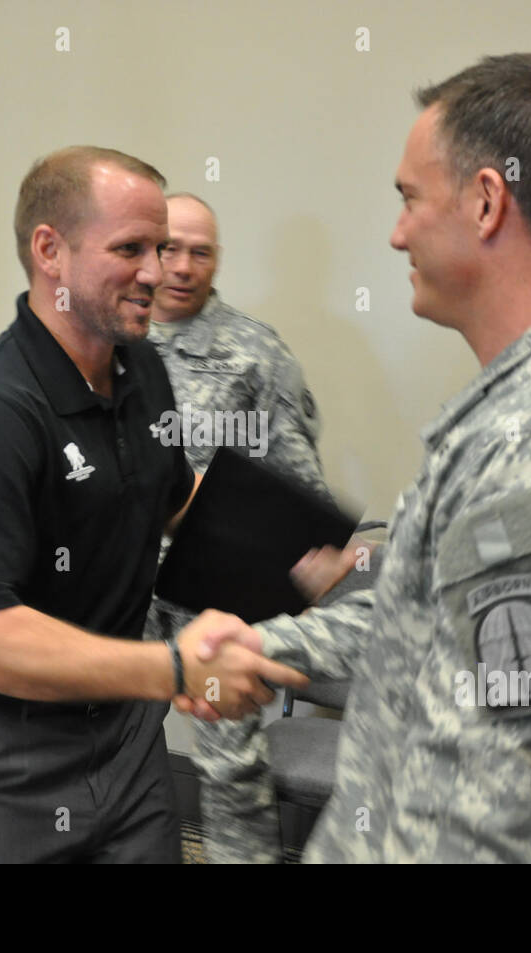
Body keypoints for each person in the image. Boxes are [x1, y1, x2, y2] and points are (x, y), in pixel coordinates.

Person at [201, 53, 531, 862]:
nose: (397, 231)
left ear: (485, 200)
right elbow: (432, 623)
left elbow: (497, 816)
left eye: (408, 198)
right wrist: (270, 649)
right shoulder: (527, 410)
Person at [0, 146, 306, 863]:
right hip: (0, 760)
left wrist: (303, 541)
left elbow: (175, 502)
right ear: (50, 251)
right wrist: (175, 670)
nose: (157, 272)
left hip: (123, 744)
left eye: (162, 247)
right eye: (132, 249)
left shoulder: (141, 368)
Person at [145, 192, 328, 863]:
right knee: (105, 744)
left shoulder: (256, 353)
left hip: (215, 600)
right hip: (123, 588)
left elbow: (298, 490)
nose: (184, 265)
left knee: (230, 770)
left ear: (218, 258)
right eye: (170, 247)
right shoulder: (110, 344)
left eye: (202, 251)